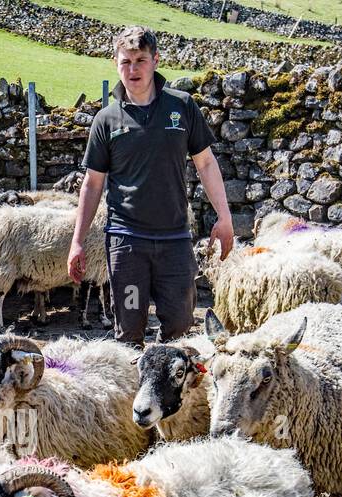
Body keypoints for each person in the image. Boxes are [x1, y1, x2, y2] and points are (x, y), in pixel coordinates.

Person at [68, 25, 235, 347]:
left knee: (182, 328)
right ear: (115, 63)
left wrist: (225, 217)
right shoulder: (106, 119)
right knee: (128, 331)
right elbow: (93, 183)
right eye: (126, 61)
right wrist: (77, 241)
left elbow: (206, 163)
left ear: (155, 60)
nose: (133, 69)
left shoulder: (182, 106)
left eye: (140, 60)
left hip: (174, 240)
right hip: (127, 244)